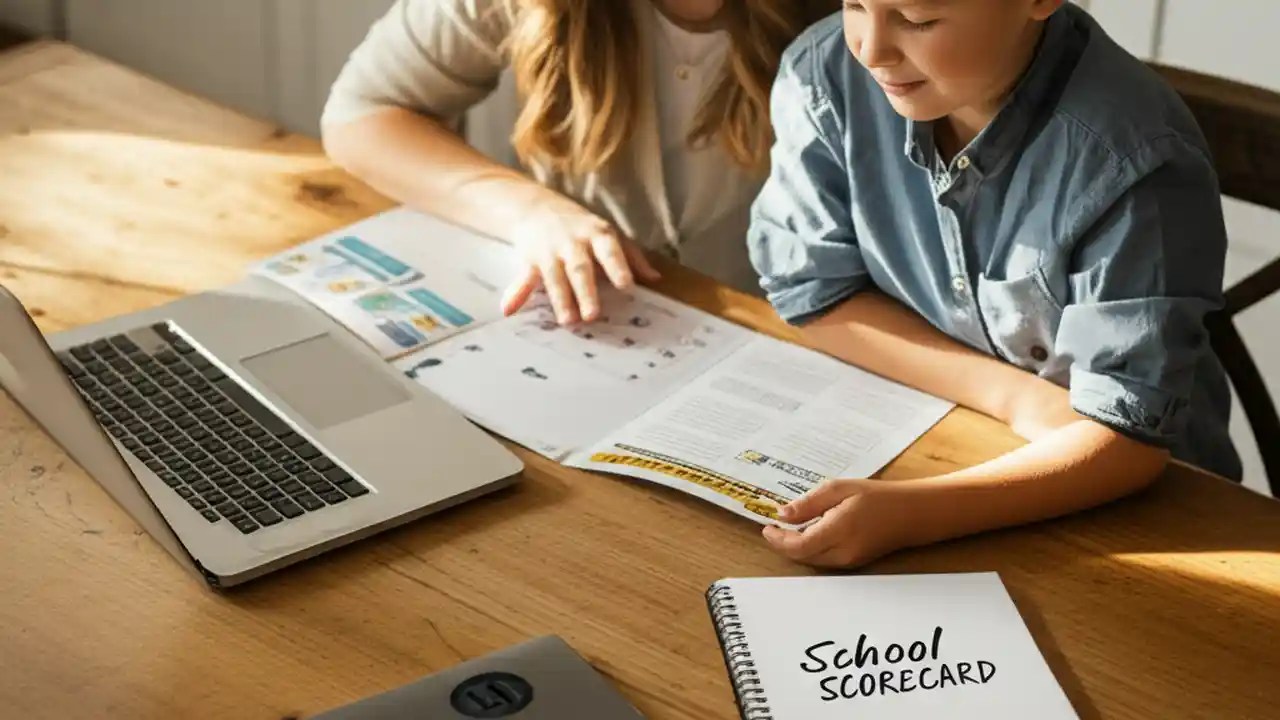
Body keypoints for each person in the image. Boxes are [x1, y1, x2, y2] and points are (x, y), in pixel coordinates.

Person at [747, 0, 1242, 567]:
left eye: (916, 20)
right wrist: (1014, 398)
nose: (871, 48)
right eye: (856, 4)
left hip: (1152, 524)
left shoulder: (1133, 157)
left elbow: (1128, 440)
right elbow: (814, 294)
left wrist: (915, 513)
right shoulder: (825, 70)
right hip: (956, 443)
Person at [321, 0, 831, 326]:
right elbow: (360, 117)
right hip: (592, 321)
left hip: (790, 332)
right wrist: (530, 212)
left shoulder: (857, 18)